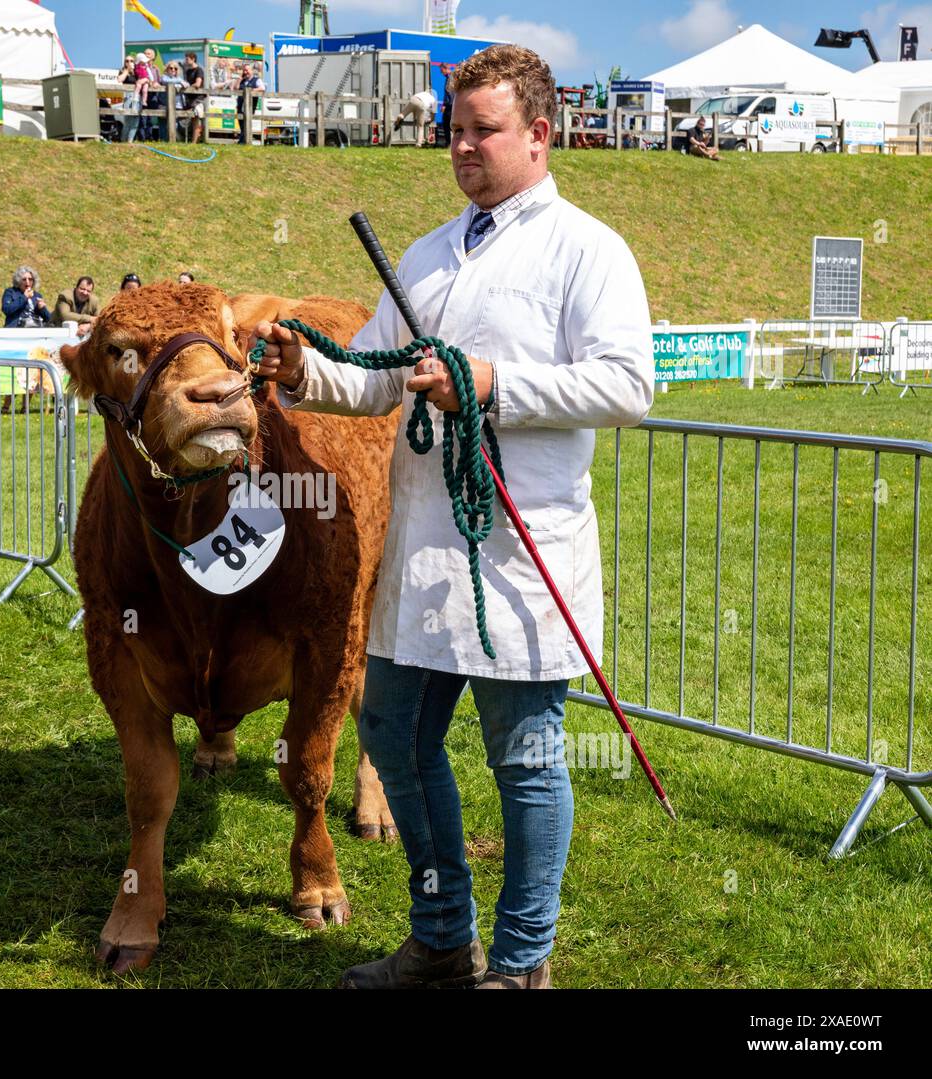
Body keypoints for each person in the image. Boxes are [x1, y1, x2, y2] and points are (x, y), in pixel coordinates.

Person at [252, 44, 653, 990]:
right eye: (454, 130)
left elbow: (630, 382)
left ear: (540, 136)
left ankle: (520, 964)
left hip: (521, 551)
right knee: (391, 735)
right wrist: (305, 370)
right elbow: (374, 381)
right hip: (427, 552)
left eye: (484, 130)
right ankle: (440, 936)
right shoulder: (430, 251)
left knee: (525, 762)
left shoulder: (588, 249)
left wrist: (491, 383)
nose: (463, 146)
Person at [183, 51, 206, 144]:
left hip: (198, 98)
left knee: (197, 118)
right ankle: (192, 140)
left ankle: (194, 141)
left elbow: (198, 84)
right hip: (189, 98)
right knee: (192, 120)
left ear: (193, 59)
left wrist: (187, 87)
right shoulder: (188, 71)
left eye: (187, 59)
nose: (186, 60)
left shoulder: (199, 70)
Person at [236, 63, 262, 145]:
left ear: (251, 70)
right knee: (241, 123)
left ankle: (243, 142)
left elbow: (262, 88)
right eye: (244, 70)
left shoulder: (256, 80)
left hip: (249, 106)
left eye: (247, 70)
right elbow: (236, 88)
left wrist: (251, 91)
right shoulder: (243, 80)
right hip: (240, 106)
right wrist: (239, 79)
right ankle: (243, 141)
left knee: (246, 123)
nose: (245, 72)